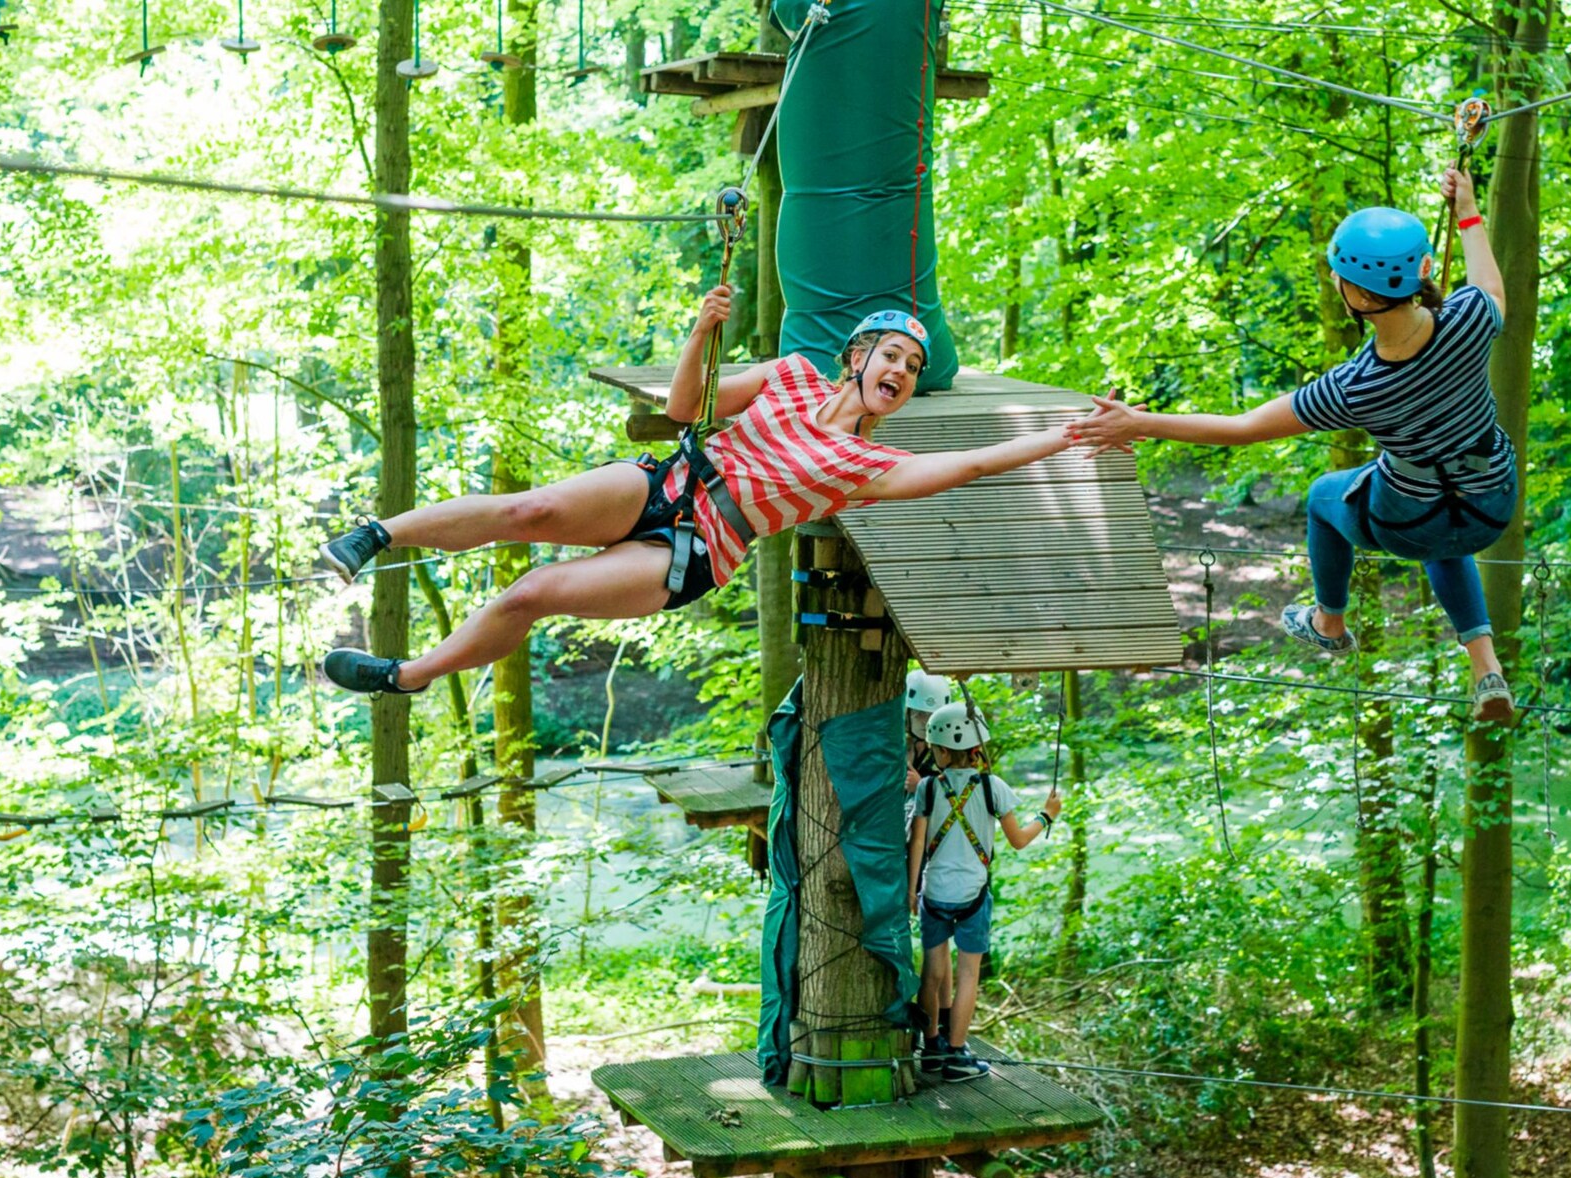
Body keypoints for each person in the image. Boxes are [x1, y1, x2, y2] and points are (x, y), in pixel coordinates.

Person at [316, 288, 1087, 694]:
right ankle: (374, 533)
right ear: (858, 355)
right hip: (666, 483)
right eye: (892, 356)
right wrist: (701, 329)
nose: (901, 374)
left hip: (695, 549)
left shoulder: (867, 467)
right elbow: (686, 409)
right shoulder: (787, 376)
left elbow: (976, 465)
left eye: (912, 370)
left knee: (533, 593)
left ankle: (406, 677)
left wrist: (1069, 435)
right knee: (532, 510)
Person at [1071, 169, 1519, 720]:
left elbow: (1241, 428)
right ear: (1424, 270)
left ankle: (1329, 622)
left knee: (1323, 500)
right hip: (1492, 502)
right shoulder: (1470, 320)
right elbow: (1491, 286)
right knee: (1446, 539)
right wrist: (1468, 209)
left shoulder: (1354, 388)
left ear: (1354, 294)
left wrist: (1138, 423)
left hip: (1409, 516)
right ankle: (1486, 667)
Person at [907, 700, 1059, 1083]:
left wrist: (912, 890)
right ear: (977, 748)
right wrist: (1046, 815)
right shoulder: (994, 788)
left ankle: (931, 1048)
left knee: (931, 972)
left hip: (934, 893)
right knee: (968, 974)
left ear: (940, 751)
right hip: (973, 895)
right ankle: (958, 1055)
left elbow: (917, 842)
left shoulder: (927, 788)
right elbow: (1018, 840)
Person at [904, 669, 951, 799]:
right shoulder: (894, 748)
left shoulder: (949, 754)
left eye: (932, 715)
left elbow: (960, 796)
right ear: (907, 713)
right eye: (919, 714)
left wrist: (921, 786)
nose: (926, 722)